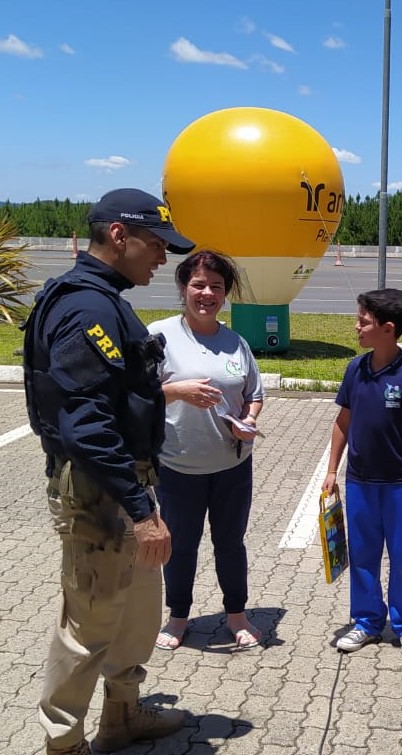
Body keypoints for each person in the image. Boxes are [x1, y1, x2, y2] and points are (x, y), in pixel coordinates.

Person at [22, 187, 194, 755]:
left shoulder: (108, 302)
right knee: (89, 621)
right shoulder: (85, 310)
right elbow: (86, 424)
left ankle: (122, 713)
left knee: (140, 603)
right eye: (156, 244)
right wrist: (142, 509)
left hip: (126, 482)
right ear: (118, 235)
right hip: (100, 490)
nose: (163, 259)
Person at [149, 250, 265, 651]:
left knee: (230, 542)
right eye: (198, 285)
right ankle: (178, 616)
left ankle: (236, 614)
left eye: (216, 286)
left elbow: (254, 394)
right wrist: (176, 390)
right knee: (180, 544)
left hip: (232, 464)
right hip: (178, 466)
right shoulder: (159, 335)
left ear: (225, 294)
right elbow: (134, 394)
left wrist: (248, 421)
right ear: (183, 288)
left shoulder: (236, 343)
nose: (207, 293)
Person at [323, 288, 402, 659]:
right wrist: (331, 471)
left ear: (388, 328)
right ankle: (366, 621)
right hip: (360, 482)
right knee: (363, 556)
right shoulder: (355, 369)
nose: (356, 327)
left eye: (364, 321)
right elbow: (343, 423)